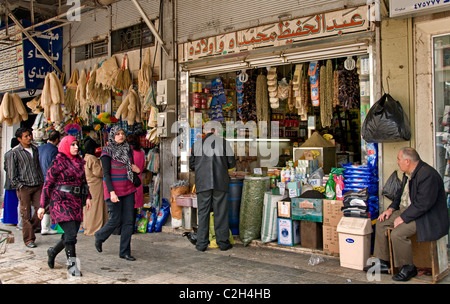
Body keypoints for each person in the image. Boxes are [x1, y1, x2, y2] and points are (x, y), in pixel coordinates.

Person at [365, 147, 449, 281]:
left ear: (407, 161)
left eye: (399, 159)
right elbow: (399, 195)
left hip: (425, 216)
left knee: (398, 233)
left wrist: (403, 218)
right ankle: (384, 262)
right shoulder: (408, 174)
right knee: (381, 222)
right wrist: (391, 208)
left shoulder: (427, 175)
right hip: (407, 211)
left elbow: (423, 204)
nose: (397, 162)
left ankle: (408, 267)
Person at [38, 135, 91, 277]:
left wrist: (88, 197)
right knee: (71, 236)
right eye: (72, 144)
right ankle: (72, 266)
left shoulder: (80, 162)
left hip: (76, 201)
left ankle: (53, 251)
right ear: (65, 145)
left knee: (69, 235)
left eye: (77, 144)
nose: (76, 147)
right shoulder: (57, 162)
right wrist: (42, 205)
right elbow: (48, 184)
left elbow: (84, 181)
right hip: (60, 200)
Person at [94, 125, 140, 261]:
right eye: (118, 134)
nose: (121, 136)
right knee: (115, 219)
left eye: (122, 133)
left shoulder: (127, 150)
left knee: (128, 221)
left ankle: (125, 252)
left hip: (128, 188)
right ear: (112, 136)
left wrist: (136, 171)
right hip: (114, 190)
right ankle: (100, 236)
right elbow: (106, 174)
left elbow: (130, 169)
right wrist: (112, 192)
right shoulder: (106, 152)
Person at [189, 124, 236, 252]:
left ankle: (201, 244)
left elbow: (192, 165)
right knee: (220, 213)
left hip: (203, 183)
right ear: (215, 131)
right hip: (220, 183)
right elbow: (231, 163)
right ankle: (223, 243)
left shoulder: (197, 145)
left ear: (206, 132)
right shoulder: (224, 143)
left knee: (203, 213)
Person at [8, 127, 44, 248]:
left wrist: (42, 181)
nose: (29, 138)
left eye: (30, 135)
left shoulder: (35, 149)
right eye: (26, 136)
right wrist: (19, 185)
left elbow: (38, 166)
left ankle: (29, 228)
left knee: (42, 208)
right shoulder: (14, 152)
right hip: (24, 186)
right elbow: (11, 172)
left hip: (37, 184)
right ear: (19, 139)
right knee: (25, 213)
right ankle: (29, 239)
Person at [82, 134, 108, 236]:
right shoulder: (92, 159)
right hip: (95, 187)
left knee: (89, 208)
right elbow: (99, 172)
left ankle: (89, 227)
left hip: (89, 185)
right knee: (96, 208)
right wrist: (102, 162)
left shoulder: (85, 158)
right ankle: (95, 228)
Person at [38, 130, 61, 235]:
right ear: (57, 140)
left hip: (39, 178)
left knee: (41, 202)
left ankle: (42, 226)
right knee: (48, 203)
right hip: (49, 179)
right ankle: (45, 227)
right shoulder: (55, 150)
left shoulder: (39, 148)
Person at [2, 138, 20, 225]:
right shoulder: (18, 153)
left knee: (9, 203)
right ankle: (15, 220)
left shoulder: (7, 154)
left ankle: (9, 220)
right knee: (17, 203)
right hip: (16, 183)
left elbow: (5, 168)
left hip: (9, 183)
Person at [127, 134, 146, 209]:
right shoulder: (142, 153)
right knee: (136, 209)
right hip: (138, 181)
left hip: (130, 182)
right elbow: (142, 166)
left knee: (129, 209)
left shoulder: (128, 154)